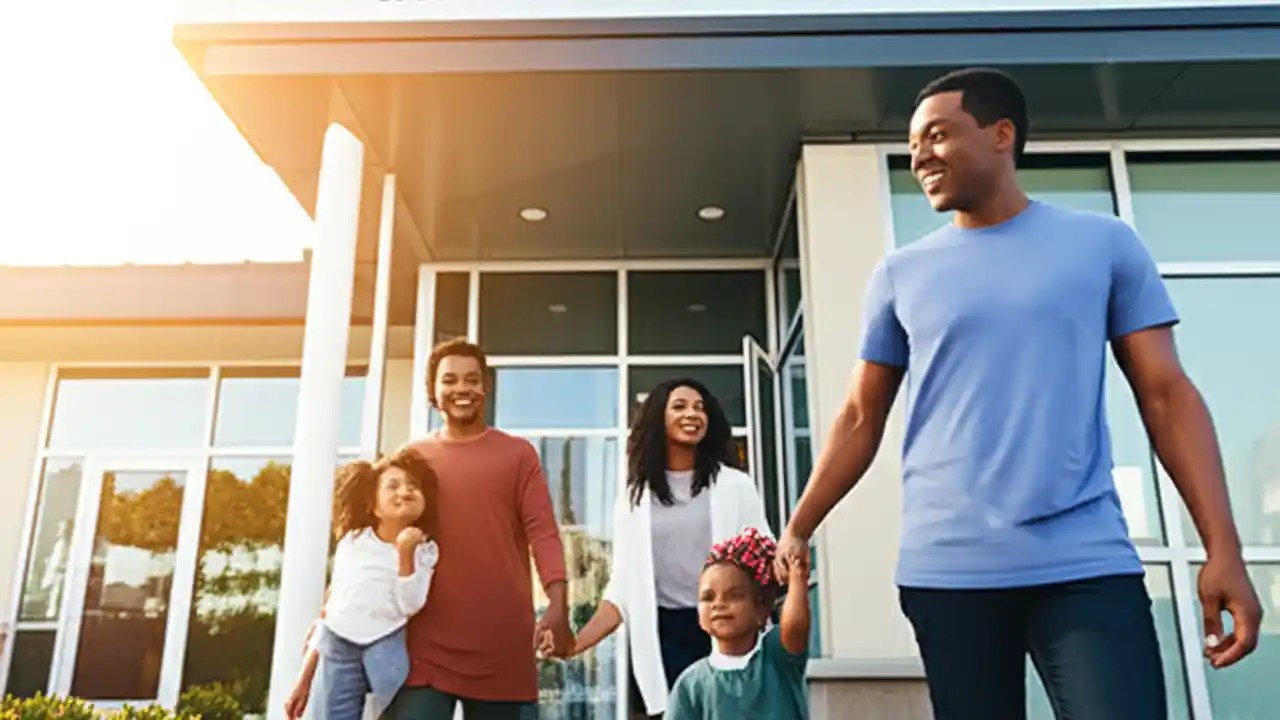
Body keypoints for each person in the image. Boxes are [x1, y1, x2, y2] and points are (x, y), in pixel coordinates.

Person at [774, 67, 1263, 720]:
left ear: (1001, 134)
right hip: (947, 574)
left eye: (939, 136)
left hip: (1085, 564)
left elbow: (1167, 397)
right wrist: (801, 525)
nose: (920, 156)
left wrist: (1222, 547)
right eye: (914, 143)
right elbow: (862, 415)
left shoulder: (1104, 245)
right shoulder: (900, 274)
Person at [549, 378, 771, 719]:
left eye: (699, 407)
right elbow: (622, 589)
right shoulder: (634, 500)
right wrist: (575, 644)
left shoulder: (735, 486)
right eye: (679, 406)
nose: (692, 413)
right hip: (664, 634)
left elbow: (764, 563)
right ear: (658, 418)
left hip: (727, 627)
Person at [385, 337, 574, 719]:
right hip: (424, 642)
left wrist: (557, 604)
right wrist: (332, 609)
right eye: (450, 380)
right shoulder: (412, 458)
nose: (462, 389)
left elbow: (543, 532)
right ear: (432, 391)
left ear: (485, 387)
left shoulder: (518, 455)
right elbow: (376, 535)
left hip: (502, 643)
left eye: (472, 380)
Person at [284, 450, 441, 720]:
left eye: (413, 486)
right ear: (374, 507)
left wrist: (405, 553)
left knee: (394, 704)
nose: (405, 491)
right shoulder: (354, 542)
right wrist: (303, 680)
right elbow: (332, 609)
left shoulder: (424, 550)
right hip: (338, 640)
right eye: (393, 486)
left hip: (385, 638)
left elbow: (411, 604)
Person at [665, 528, 809, 720]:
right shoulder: (691, 685)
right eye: (708, 597)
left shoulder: (777, 657)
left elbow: (795, 628)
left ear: (761, 608)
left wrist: (796, 578)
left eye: (734, 596)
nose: (719, 605)